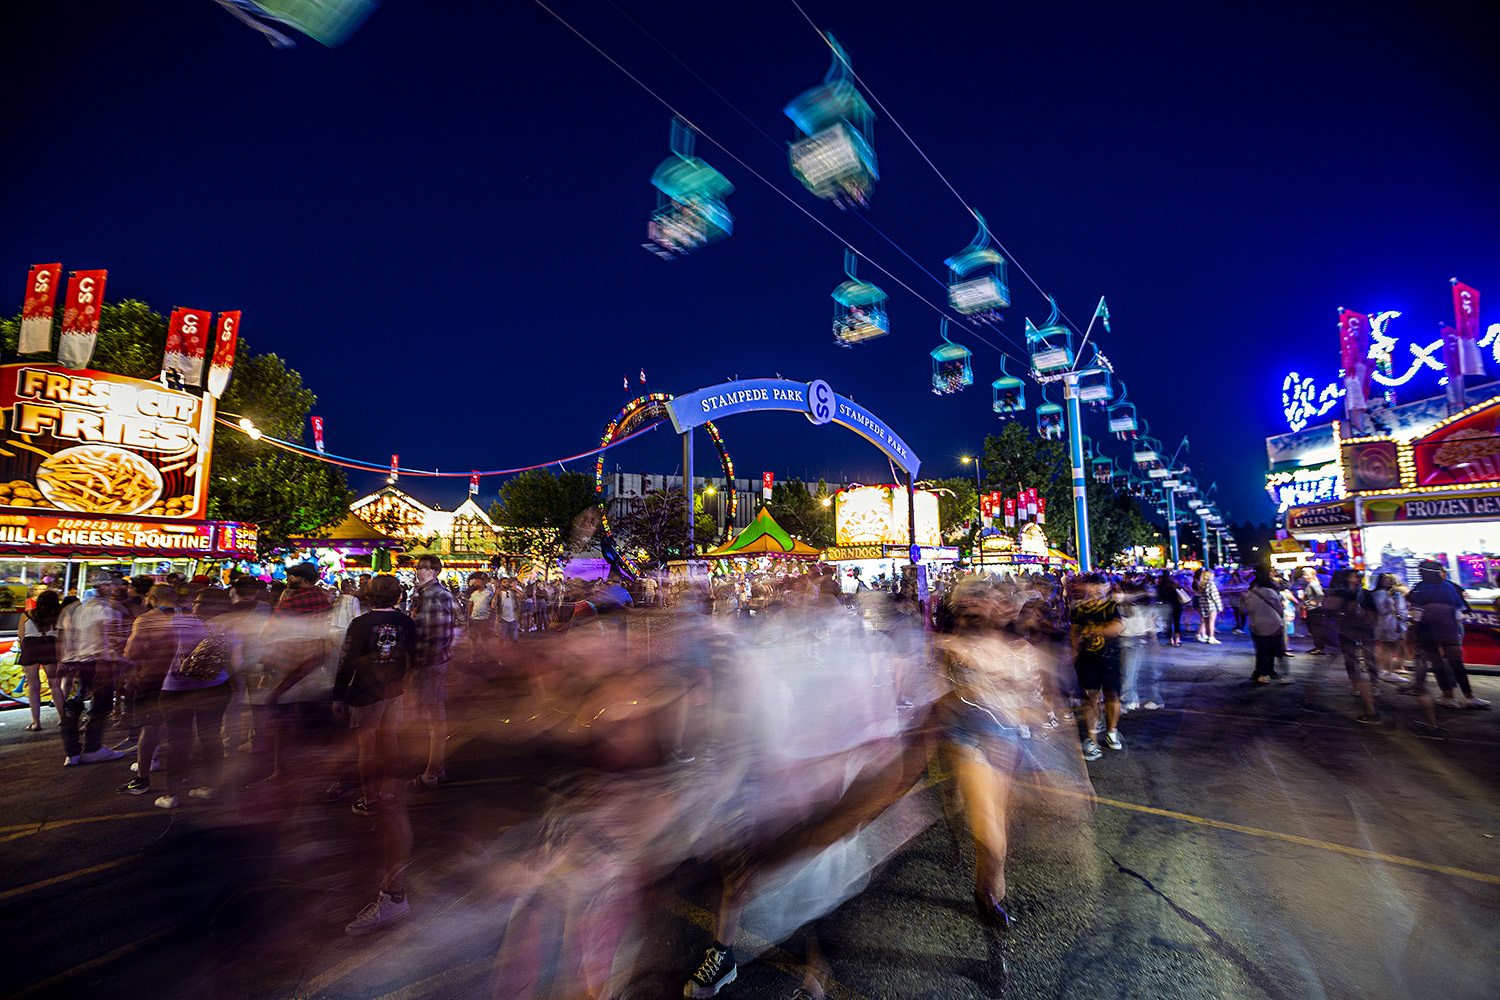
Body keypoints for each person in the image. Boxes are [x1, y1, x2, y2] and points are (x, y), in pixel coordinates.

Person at [333, 573, 416, 935]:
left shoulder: (361, 622)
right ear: (398, 594)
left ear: (368, 595)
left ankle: (369, 798)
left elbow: (348, 659)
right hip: (394, 689)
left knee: (367, 744)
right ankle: (387, 793)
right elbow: (412, 656)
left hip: (365, 691)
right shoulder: (405, 621)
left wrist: (338, 694)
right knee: (392, 739)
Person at [55, 575, 130, 767]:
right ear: (104, 587)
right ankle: (93, 748)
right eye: (114, 584)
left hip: (75, 661)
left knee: (75, 702)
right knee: (100, 705)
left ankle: (71, 752)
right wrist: (109, 661)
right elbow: (107, 635)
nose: (117, 587)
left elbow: (61, 638)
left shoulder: (73, 609)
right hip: (99, 661)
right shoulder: (106, 609)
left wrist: (62, 661)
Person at [1408, 560, 1488, 710]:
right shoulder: (1449, 587)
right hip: (1450, 630)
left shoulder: (1420, 588)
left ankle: (1447, 696)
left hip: (1427, 630)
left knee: (1438, 664)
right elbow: (1459, 613)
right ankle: (1469, 697)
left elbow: (1416, 614)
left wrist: (1413, 632)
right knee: (1456, 663)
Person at [408, 555, 457, 789]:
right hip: (427, 662)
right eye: (418, 567)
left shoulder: (437, 595)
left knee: (435, 717)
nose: (420, 571)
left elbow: (439, 636)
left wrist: (422, 666)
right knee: (432, 716)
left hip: (430, 662)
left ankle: (431, 773)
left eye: (425, 568)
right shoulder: (420, 594)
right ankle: (437, 768)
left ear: (436, 571)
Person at [1071, 574, 1125, 758]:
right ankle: (1092, 740)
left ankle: (1111, 732)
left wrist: (1095, 631)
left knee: (1112, 694)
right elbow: (1073, 632)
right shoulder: (1079, 609)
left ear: (1107, 587)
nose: (1096, 589)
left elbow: (1117, 628)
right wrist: (1075, 653)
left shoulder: (1111, 607)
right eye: (1093, 585)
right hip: (1087, 658)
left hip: (1109, 658)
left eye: (1101, 585)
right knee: (1090, 696)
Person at [1323, 569, 1379, 723]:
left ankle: (1373, 684)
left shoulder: (1365, 593)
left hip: (1365, 629)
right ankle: (1356, 685)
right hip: (1347, 629)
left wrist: (1368, 616)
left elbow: (1374, 611)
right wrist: (1346, 609)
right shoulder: (1341, 594)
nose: (1354, 578)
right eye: (1351, 576)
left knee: (1369, 656)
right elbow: (1331, 611)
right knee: (1350, 657)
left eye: (1355, 576)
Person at [18, 590, 62, 731]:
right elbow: (62, 636)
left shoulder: (26, 615)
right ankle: (63, 718)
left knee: (33, 686)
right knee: (54, 684)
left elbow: (21, 635)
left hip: (30, 646)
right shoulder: (59, 615)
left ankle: (36, 722)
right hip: (49, 645)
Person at [1244, 568, 1294, 684]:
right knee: (1273, 648)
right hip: (1274, 623)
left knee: (1261, 648)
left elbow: (1248, 608)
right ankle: (1271, 671)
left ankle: (1263, 672)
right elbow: (1279, 608)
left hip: (1258, 623)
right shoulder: (1272, 590)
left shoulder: (1252, 591)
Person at [1155, 571, 1185, 646]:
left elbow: (1159, 597)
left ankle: (1170, 639)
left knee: (1168, 624)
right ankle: (1177, 640)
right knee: (1177, 623)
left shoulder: (1161, 586)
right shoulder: (1175, 584)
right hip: (1176, 605)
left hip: (1166, 606)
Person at [1194, 568, 1222, 644]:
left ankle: (1207, 635)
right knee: (1211, 622)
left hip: (1204, 605)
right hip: (1212, 605)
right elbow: (1215, 597)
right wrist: (1219, 607)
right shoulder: (1211, 584)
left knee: (1206, 622)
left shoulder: (1201, 584)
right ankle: (1211, 637)